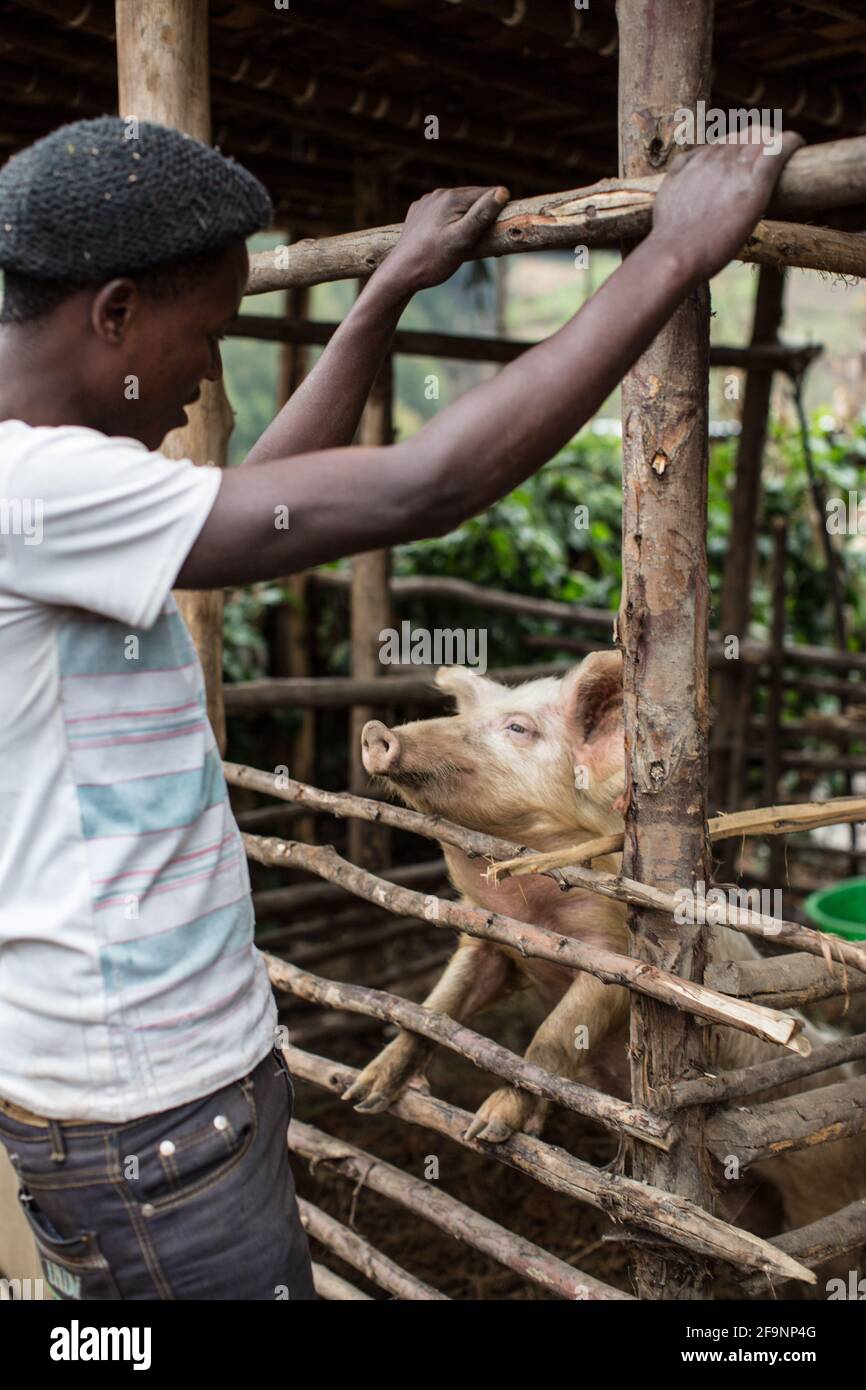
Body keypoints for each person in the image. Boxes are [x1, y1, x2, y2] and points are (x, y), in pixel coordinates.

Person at [0, 115, 801, 1300]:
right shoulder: (33, 488)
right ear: (113, 315)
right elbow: (429, 484)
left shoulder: (52, 482)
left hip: (149, 1108)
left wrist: (378, 298)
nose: (208, 378)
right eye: (205, 336)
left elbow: (262, 506)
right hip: (145, 1128)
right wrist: (670, 258)